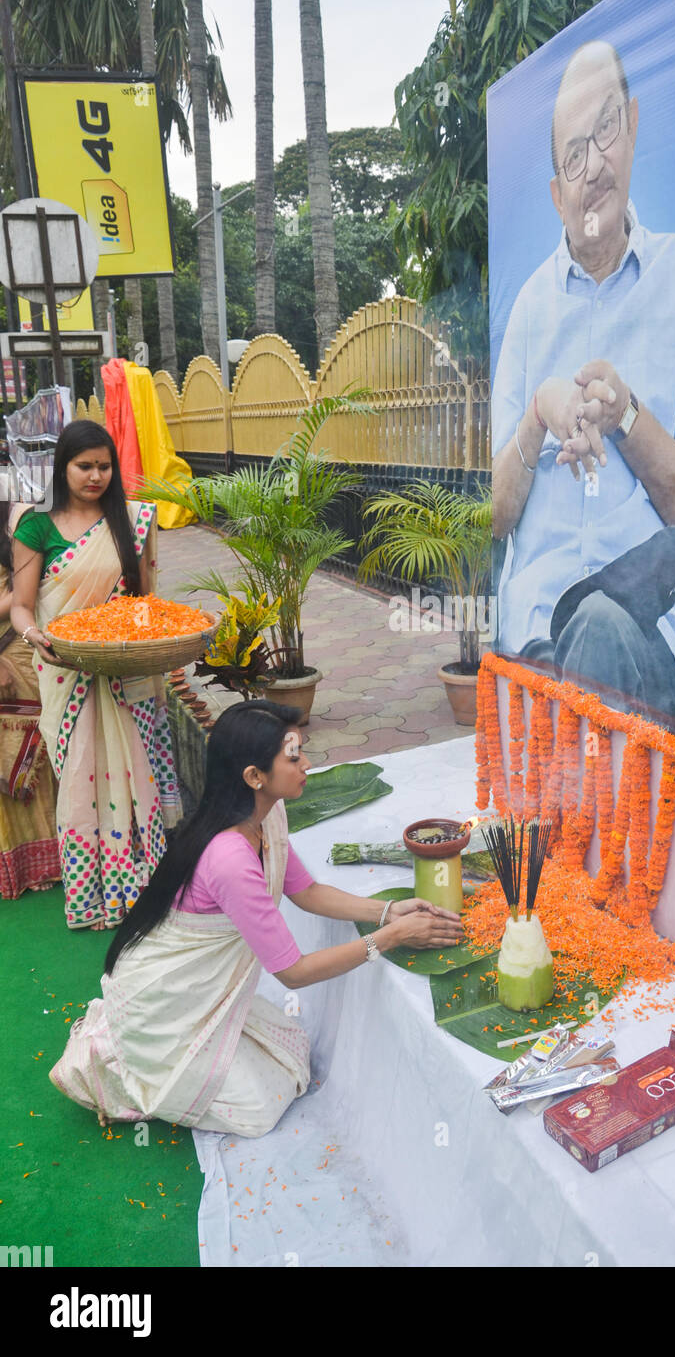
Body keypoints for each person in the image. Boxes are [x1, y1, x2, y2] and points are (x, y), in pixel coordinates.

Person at [49, 701, 464, 1138]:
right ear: (253, 777)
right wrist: (393, 936)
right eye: (293, 758)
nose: (306, 764)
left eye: (302, 751)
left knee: (292, 1053)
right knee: (260, 1109)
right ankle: (116, 1071)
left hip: (203, 991)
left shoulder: (267, 815)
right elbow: (293, 972)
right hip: (167, 1002)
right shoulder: (229, 856)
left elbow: (307, 892)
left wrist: (386, 910)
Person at [492, 39, 675, 733]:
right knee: (556, 657)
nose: (593, 164)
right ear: (554, 191)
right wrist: (540, 412)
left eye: (604, 131)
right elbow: (495, 515)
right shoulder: (529, 309)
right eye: (572, 155)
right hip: (535, 643)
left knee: (597, 626)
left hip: (643, 649)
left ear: (632, 127)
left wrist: (629, 417)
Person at [10, 420, 182, 930]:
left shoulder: (131, 519)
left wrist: (151, 639)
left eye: (105, 466)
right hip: (65, 671)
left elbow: (143, 600)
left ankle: (146, 885)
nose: (96, 475)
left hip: (127, 672)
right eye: (85, 466)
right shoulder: (35, 525)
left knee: (137, 774)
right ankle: (94, 895)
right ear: (63, 467)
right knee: (84, 775)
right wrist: (33, 636)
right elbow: (22, 607)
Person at [0, 500, 61, 897]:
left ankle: (57, 857)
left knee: (42, 753)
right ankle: (17, 865)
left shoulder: (19, 519)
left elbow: (33, 589)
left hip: (25, 649)